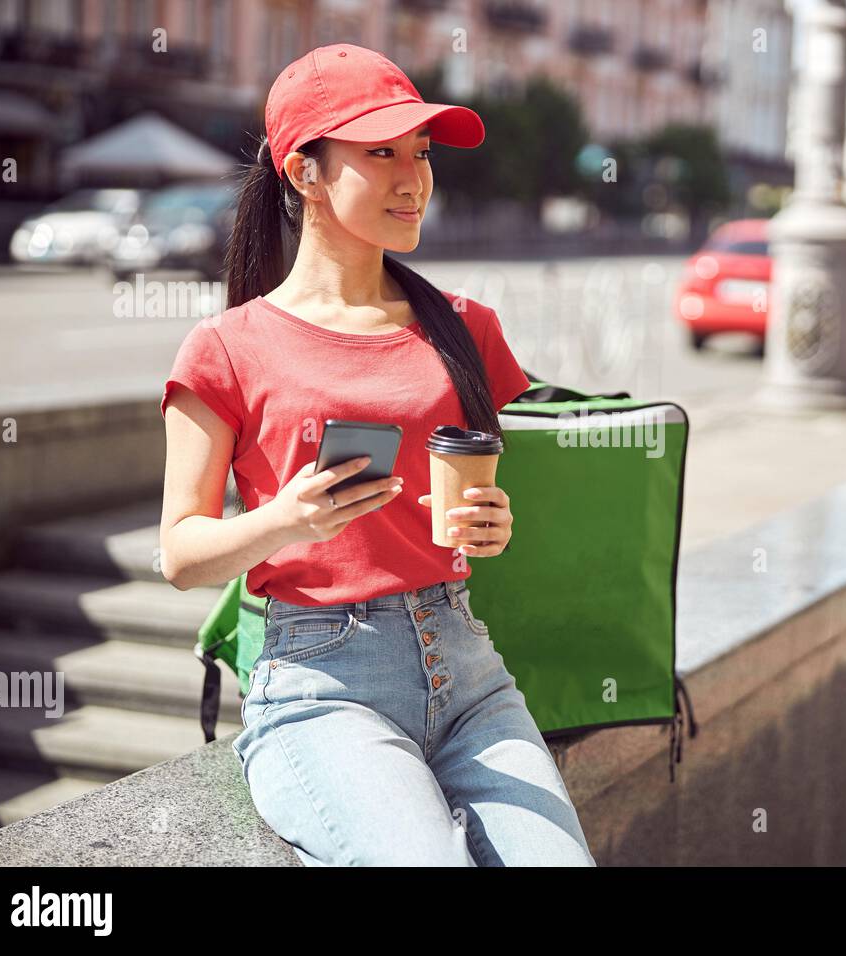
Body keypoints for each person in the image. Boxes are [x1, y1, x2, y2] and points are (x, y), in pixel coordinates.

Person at [158, 43, 596, 866]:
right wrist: (285, 521)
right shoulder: (226, 347)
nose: (413, 179)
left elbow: (494, 504)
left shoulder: (466, 327)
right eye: (382, 154)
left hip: (467, 669)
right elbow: (180, 555)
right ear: (304, 173)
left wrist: (494, 524)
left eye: (422, 154)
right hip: (323, 687)